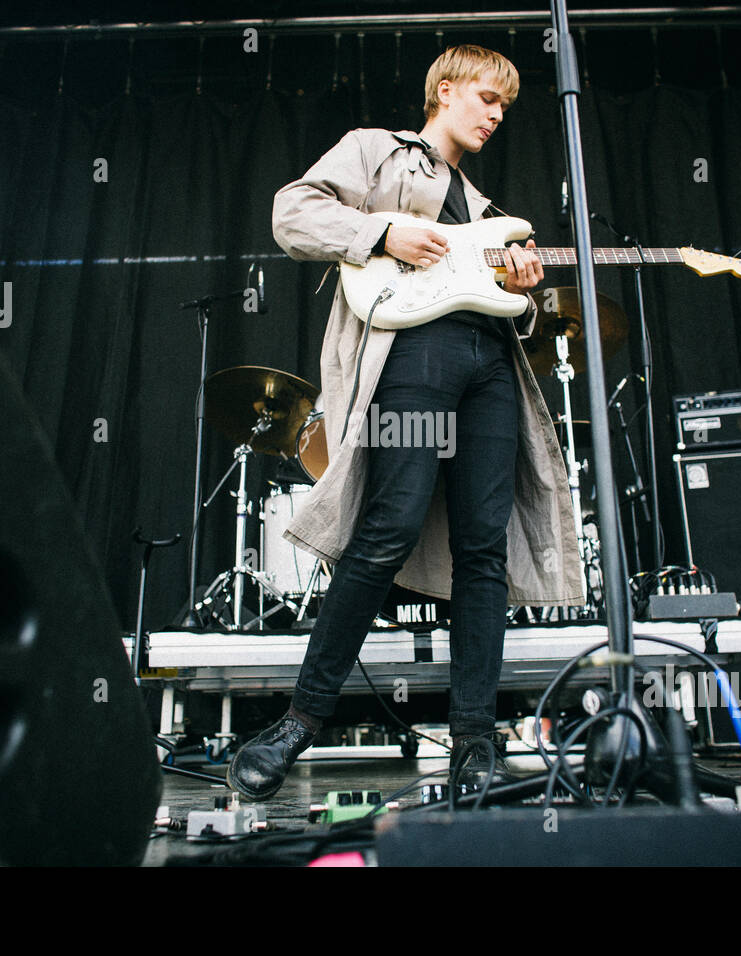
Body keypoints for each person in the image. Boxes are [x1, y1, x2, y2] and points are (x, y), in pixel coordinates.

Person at [227, 45, 584, 802]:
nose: (495, 114)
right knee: (386, 528)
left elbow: (505, 304)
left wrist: (521, 290)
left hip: (490, 367)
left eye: (505, 106)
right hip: (414, 360)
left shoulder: (489, 212)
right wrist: (380, 236)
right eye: (486, 98)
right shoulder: (378, 153)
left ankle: (474, 743)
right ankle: (298, 720)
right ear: (445, 91)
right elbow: (293, 211)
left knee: (483, 549)